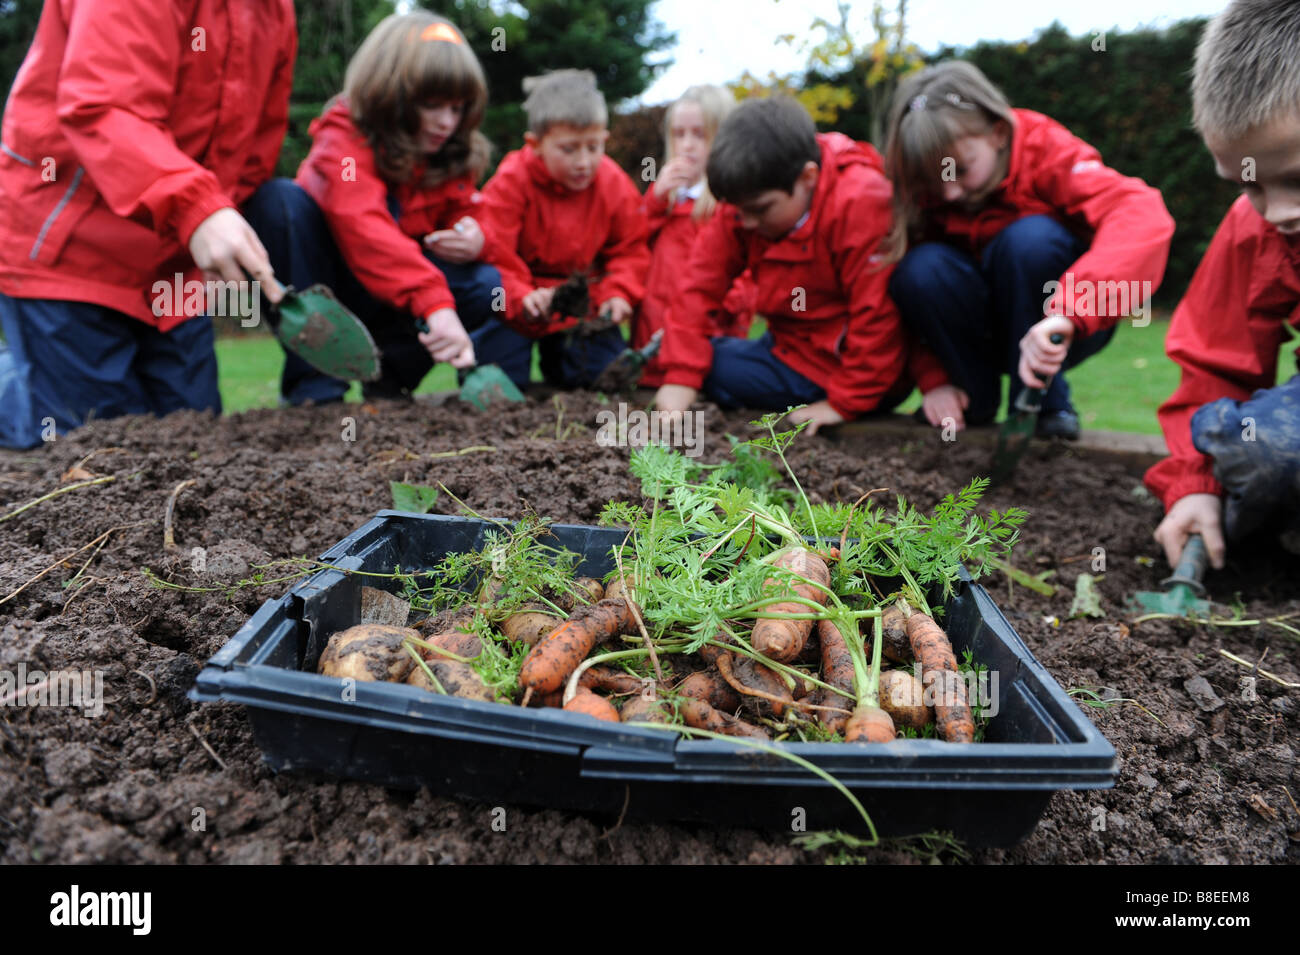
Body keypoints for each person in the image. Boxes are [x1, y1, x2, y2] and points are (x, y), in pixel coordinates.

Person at [0, 0, 295, 448]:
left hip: (171, 268)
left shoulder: (275, 12)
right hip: (68, 246)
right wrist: (198, 209)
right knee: (102, 450)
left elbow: (251, 148)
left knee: (195, 445)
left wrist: (218, 233)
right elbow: (103, 105)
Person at [883, 61, 1174, 437]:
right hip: (975, 330)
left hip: (1062, 321)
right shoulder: (925, 192)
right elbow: (901, 295)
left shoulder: (1045, 150)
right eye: (934, 180)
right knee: (921, 267)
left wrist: (1071, 310)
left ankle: (1040, 406)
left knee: (1031, 240)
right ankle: (972, 402)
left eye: (961, 169)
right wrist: (935, 379)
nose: (949, 193)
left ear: (999, 133)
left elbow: (1139, 213)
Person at [242, 11, 495, 403]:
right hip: (334, 283)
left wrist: (472, 233)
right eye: (432, 104)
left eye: (457, 108)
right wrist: (435, 304)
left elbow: (466, 210)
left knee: (485, 285)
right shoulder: (343, 136)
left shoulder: (448, 154)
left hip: (393, 298)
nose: (447, 122)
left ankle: (389, 379)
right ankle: (317, 389)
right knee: (279, 203)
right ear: (391, 92)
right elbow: (361, 222)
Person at [653, 95, 943, 434]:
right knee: (695, 359)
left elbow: (877, 316)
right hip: (788, 350)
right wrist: (679, 377)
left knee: (713, 371)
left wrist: (843, 402)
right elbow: (699, 287)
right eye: (737, 210)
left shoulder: (860, 202)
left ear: (808, 178)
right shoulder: (746, 199)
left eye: (760, 210)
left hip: (853, 368)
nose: (744, 223)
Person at [1146, 0, 1300, 570]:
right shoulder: (1257, 226)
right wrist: (1195, 483)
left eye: (1296, 179)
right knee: (1263, 442)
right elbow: (1215, 364)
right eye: (1249, 184)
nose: (1277, 210)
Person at [473, 69, 650, 390]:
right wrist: (522, 296)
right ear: (535, 144)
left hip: (582, 305)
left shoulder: (612, 182)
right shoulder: (512, 179)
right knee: (497, 384)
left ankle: (567, 368)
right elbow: (493, 250)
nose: (584, 161)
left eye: (594, 147)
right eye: (569, 149)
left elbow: (631, 249)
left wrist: (618, 293)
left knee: (606, 378)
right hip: (518, 308)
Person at [636, 85, 755, 389]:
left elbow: (748, 275)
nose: (687, 145)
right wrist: (654, 202)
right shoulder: (665, 199)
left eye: (700, 135)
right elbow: (631, 246)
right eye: (679, 134)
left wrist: (725, 307)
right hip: (653, 333)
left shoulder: (730, 206)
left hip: (708, 339)